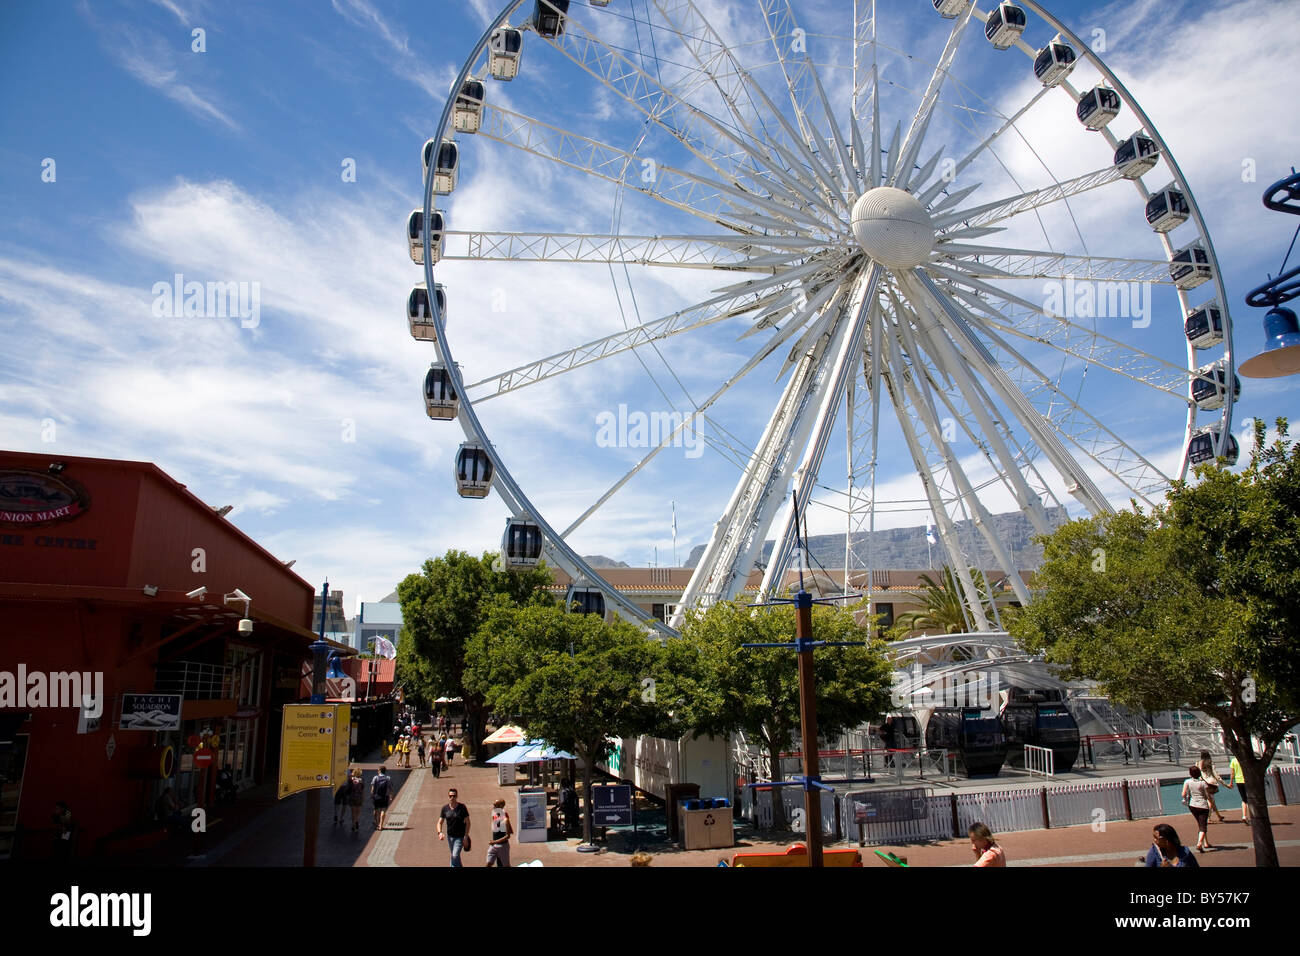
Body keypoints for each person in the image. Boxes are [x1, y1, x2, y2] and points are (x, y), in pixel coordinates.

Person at [1181, 765, 1212, 851]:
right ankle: (1199, 843)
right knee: (1203, 825)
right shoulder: (1203, 783)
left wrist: (1187, 795)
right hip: (1202, 805)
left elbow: (1183, 794)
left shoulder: (1187, 782)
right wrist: (1210, 802)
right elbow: (1207, 795)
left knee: (1200, 823)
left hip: (1192, 805)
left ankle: (1206, 842)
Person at [437, 788, 470, 867]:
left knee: (454, 856)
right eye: (450, 796)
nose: (452, 798)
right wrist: (440, 832)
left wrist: (465, 836)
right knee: (455, 856)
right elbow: (439, 822)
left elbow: (468, 822)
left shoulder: (462, 807)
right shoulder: (445, 808)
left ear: (457, 796)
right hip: (450, 837)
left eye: (454, 796)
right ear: (448, 797)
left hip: (460, 837)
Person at [1198, 751, 1226, 823]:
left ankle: (1218, 816)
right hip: (1210, 783)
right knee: (1210, 801)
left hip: (1202, 782)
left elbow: (1198, 773)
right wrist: (1223, 783)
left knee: (1211, 801)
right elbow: (1215, 774)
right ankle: (1208, 818)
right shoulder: (1210, 763)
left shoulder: (1198, 763)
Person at [486, 798, 513, 867]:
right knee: (488, 864)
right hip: (494, 846)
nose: (493, 806)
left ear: (501, 806)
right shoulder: (494, 814)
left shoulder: (505, 818)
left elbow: (508, 836)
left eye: (495, 805)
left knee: (505, 865)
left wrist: (494, 842)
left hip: (503, 846)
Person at [1227, 753, 1248, 822]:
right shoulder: (1245, 760)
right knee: (1250, 798)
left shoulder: (1233, 761)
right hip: (1247, 780)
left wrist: (1231, 782)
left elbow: (1232, 773)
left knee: (1244, 799)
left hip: (1238, 781)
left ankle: (1244, 815)